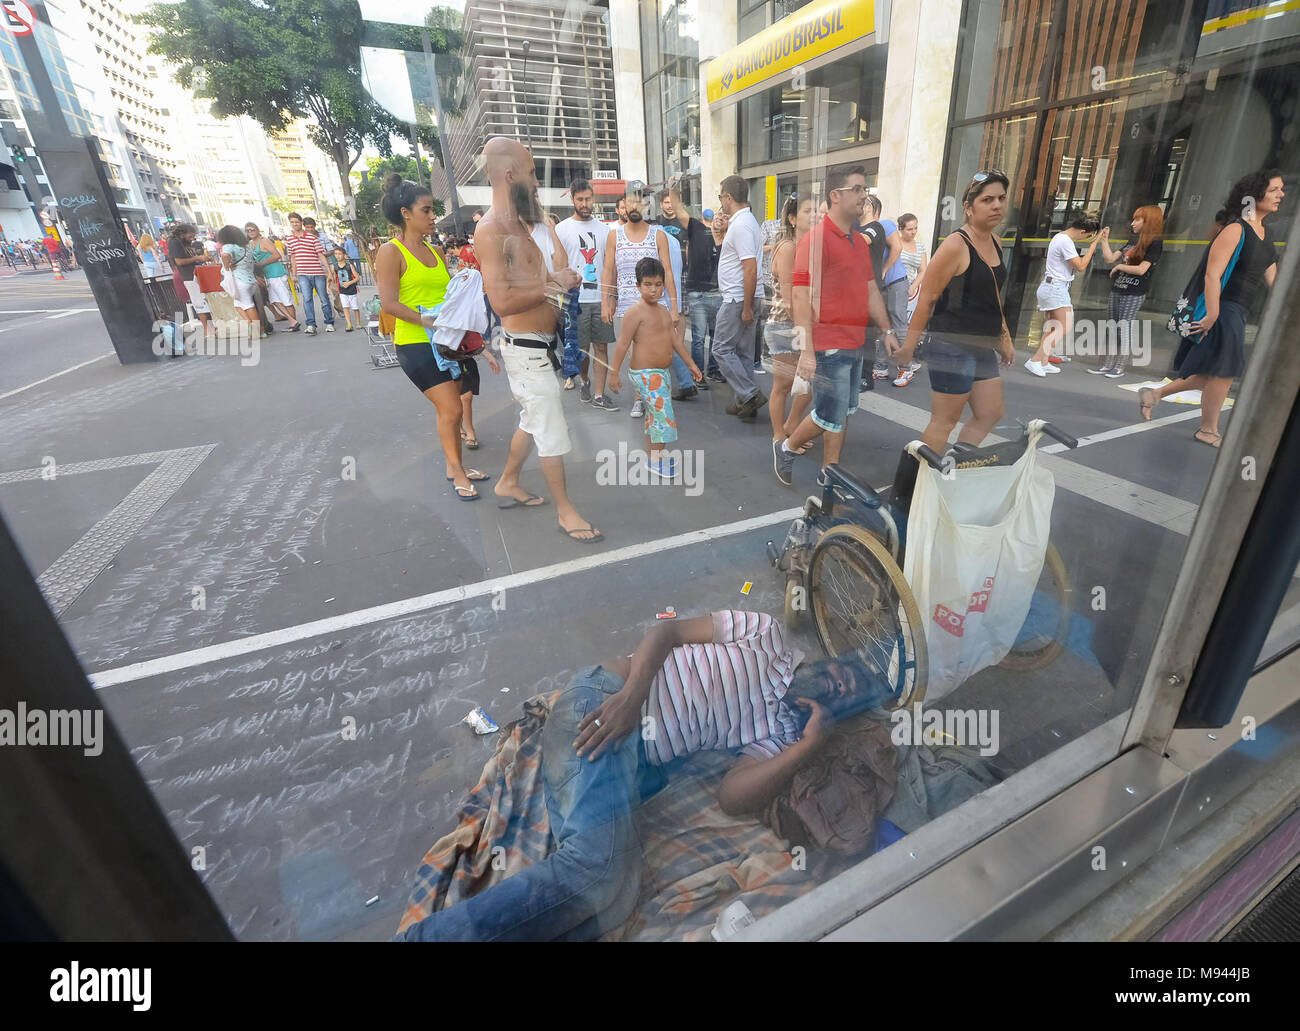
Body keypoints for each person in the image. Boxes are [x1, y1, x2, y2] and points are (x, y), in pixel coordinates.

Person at [396, 609, 886, 941]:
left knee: (615, 902)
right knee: (599, 870)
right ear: (829, 660)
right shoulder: (765, 634)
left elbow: (732, 798)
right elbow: (666, 631)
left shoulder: (780, 735)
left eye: (844, 697)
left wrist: (808, 747)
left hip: (626, 762)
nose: (837, 686)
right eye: (842, 674)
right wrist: (633, 696)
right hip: (603, 703)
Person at [476, 137, 601, 542]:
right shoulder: (491, 230)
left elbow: (533, 282)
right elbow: (502, 300)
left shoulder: (520, 225)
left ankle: (508, 481)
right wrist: (554, 286)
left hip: (539, 348)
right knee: (550, 429)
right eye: (531, 173)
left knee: (532, 421)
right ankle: (566, 512)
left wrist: (556, 281)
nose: (536, 182)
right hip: (526, 351)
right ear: (509, 175)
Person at [1141, 169, 1284, 447]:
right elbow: (1212, 274)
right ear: (1255, 196)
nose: (1282, 194)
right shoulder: (1235, 228)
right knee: (1224, 372)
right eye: (1275, 190)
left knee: (1209, 374)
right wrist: (1214, 313)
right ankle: (1208, 430)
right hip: (1224, 309)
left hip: (1238, 312)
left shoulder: (1266, 234)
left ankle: (1155, 394)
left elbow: (1273, 279)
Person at [375, 175, 497, 500]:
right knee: (451, 409)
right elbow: (388, 303)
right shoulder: (391, 252)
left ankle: (453, 465)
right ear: (406, 213)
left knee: (452, 407)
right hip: (414, 343)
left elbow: (449, 298)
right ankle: (457, 470)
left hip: (445, 342)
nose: (432, 216)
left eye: (432, 210)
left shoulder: (435, 250)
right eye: (426, 210)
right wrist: (427, 320)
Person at [773, 166, 893, 485]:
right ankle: (786, 447)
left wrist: (888, 330)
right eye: (857, 189)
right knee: (829, 414)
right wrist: (807, 351)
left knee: (842, 413)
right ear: (836, 196)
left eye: (865, 188)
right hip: (828, 344)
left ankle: (830, 471)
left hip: (855, 342)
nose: (864, 195)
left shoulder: (857, 241)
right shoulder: (815, 241)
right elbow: (799, 296)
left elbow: (870, 289)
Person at [891, 170, 1015, 454]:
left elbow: (994, 294)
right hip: (951, 346)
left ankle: (953, 465)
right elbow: (928, 298)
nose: (997, 205)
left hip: (981, 344)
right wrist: (909, 347)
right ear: (969, 208)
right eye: (987, 200)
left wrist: (1004, 336)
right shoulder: (956, 245)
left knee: (990, 412)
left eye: (1001, 198)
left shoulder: (995, 241)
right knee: (944, 422)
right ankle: (912, 489)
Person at [607, 257, 703, 477]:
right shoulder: (635, 312)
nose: (654, 290)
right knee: (663, 417)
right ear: (638, 285)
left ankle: (653, 458)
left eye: (658, 285)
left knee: (654, 416)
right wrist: (613, 373)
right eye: (648, 284)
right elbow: (622, 343)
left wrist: (691, 364)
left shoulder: (663, 311)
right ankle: (656, 460)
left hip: (660, 374)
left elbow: (676, 341)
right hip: (645, 374)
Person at [601, 187, 679, 417]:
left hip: (656, 305)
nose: (635, 207)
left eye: (639, 202)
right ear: (624, 204)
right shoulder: (614, 235)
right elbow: (608, 270)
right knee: (633, 351)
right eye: (630, 202)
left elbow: (668, 273)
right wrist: (606, 301)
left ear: (646, 206)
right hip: (628, 304)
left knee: (653, 351)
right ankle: (641, 396)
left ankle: (652, 394)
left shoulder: (658, 235)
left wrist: (674, 307)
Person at [710, 175, 767, 420]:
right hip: (745, 296)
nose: (721, 201)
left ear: (729, 197)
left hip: (737, 298)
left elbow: (750, 268)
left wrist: (746, 307)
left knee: (721, 348)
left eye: (721, 196)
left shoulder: (742, 225)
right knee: (742, 352)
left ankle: (749, 393)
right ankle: (744, 400)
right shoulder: (745, 221)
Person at [556, 178, 614, 404]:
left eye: (588, 198)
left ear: (594, 198)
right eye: (580, 199)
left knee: (601, 346)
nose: (585, 203)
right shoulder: (561, 230)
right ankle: (584, 380)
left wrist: (611, 296)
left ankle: (599, 393)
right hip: (574, 300)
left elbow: (611, 265)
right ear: (572, 200)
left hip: (600, 298)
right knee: (582, 348)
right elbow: (557, 266)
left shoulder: (605, 230)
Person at [766, 195, 815, 455]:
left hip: (799, 325)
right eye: (808, 211)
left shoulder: (810, 247)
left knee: (807, 384)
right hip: (785, 326)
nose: (815, 216)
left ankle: (792, 427)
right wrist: (804, 333)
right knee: (784, 386)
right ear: (793, 219)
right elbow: (788, 298)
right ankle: (779, 436)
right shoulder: (788, 248)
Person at [1025, 213, 1104, 376]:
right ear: (1082, 231)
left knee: (1052, 327)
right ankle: (1035, 360)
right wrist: (1094, 245)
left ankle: (1043, 361)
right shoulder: (1065, 241)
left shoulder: (1059, 237)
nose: (1086, 238)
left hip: (1051, 286)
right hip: (1056, 288)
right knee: (1064, 326)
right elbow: (1081, 266)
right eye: (1088, 235)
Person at [1091, 206, 1164, 378]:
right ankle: (1107, 364)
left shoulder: (1155, 242)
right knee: (1112, 326)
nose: (1133, 223)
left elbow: (1141, 270)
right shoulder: (1133, 240)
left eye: (1137, 220)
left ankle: (1120, 366)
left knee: (1124, 326)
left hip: (1135, 291)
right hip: (1118, 287)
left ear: (1149, 221)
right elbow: (1110, 258)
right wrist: (1104, 240)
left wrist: (1120, 266)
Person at [862, 195, 915, 386]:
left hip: (896, 282)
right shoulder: (865, 228)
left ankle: (907, 368)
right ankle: (882, 367)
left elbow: (898, 247)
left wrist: (884, 270)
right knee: (886, 326)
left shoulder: (883, 224)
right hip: (884, 286)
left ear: (871, 207)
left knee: (899, 324)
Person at [653, 185, 698, 401]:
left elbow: (669, 272)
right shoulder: (658, 228)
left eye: (673, 201)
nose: (669, 205)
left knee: (668, 338)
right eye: (666, 201)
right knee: (669, 339)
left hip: (670, 288)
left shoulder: (674, 230)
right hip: (665, 290)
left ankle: (686, 379)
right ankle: (686, 379)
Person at [684, 205, 723, 387]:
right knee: (699, 337)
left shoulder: (727, 239)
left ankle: (713, 370)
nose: (720, 219)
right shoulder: (699, 231)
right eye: (718, 216)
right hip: (698, 293)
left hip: (717, 293)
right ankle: (698, 374)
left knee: (716, 336)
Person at [284, 211, 336, 335]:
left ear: (301, 223)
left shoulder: (313, 238)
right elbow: (293, 258)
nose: (295, 224)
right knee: (307, 299)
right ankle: (311, 325)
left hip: (317, 272)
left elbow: (321, 255)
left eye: (297, 222)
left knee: (324, 298)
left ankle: (329, 322)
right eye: (292, 222)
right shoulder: (290, 239)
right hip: (302, 274)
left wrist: (328, 272)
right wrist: (294, 274)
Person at [247, 222, 299, 332]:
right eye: (248, 230)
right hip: (268, 275)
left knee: (285, 299)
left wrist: (262, 263)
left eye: (252, 229)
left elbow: (277, 255)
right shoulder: (250, 244)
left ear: (257, 229)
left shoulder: (264, 241)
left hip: (276, 273)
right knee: (273, 300)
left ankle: (294, 322)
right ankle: (293, 321)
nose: (250, 232)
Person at [168, 222, 214, 337]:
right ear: (182, 234)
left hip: (196, 273)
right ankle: (207, 330)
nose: (192, 238)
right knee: (199, 303)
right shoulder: (174, 242)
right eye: (190, 236)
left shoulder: (186, 242)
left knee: (205, 301)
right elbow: (179, 261)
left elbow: (190, 258)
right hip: (188, 276)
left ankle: (211, 328)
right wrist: (197, 258)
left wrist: (200, 259)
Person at [216, 225, 263, 330]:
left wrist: (227, 267)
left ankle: (259, 331)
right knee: (238, 304)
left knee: (248, 305)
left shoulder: (228, 246)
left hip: (240, 280)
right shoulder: (245, 247)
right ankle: (251, 325)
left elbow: (225, 255)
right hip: (250, 280)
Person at [897, 212, 929, 319]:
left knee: (906, 321)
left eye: (915, 228)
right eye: (909, 229)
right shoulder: (895, 243)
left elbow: (923, 270)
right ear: (901, 229)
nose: (913, 232)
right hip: (894, 288)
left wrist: (913, 287)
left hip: (911, 290)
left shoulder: (920, 246)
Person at [333, 245, 361, 331]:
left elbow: (357, 277)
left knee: (355, 307)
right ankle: (349, 324)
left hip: (352, 290)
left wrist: (349, 283)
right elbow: (334, 278)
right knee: (345, 307)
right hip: (342, 291)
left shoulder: (350, 266)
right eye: (336, 254)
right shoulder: (335, 266)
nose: (337, 256)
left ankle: (358, 323)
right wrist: (328, 285)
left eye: (340, 254)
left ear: (344, 255)